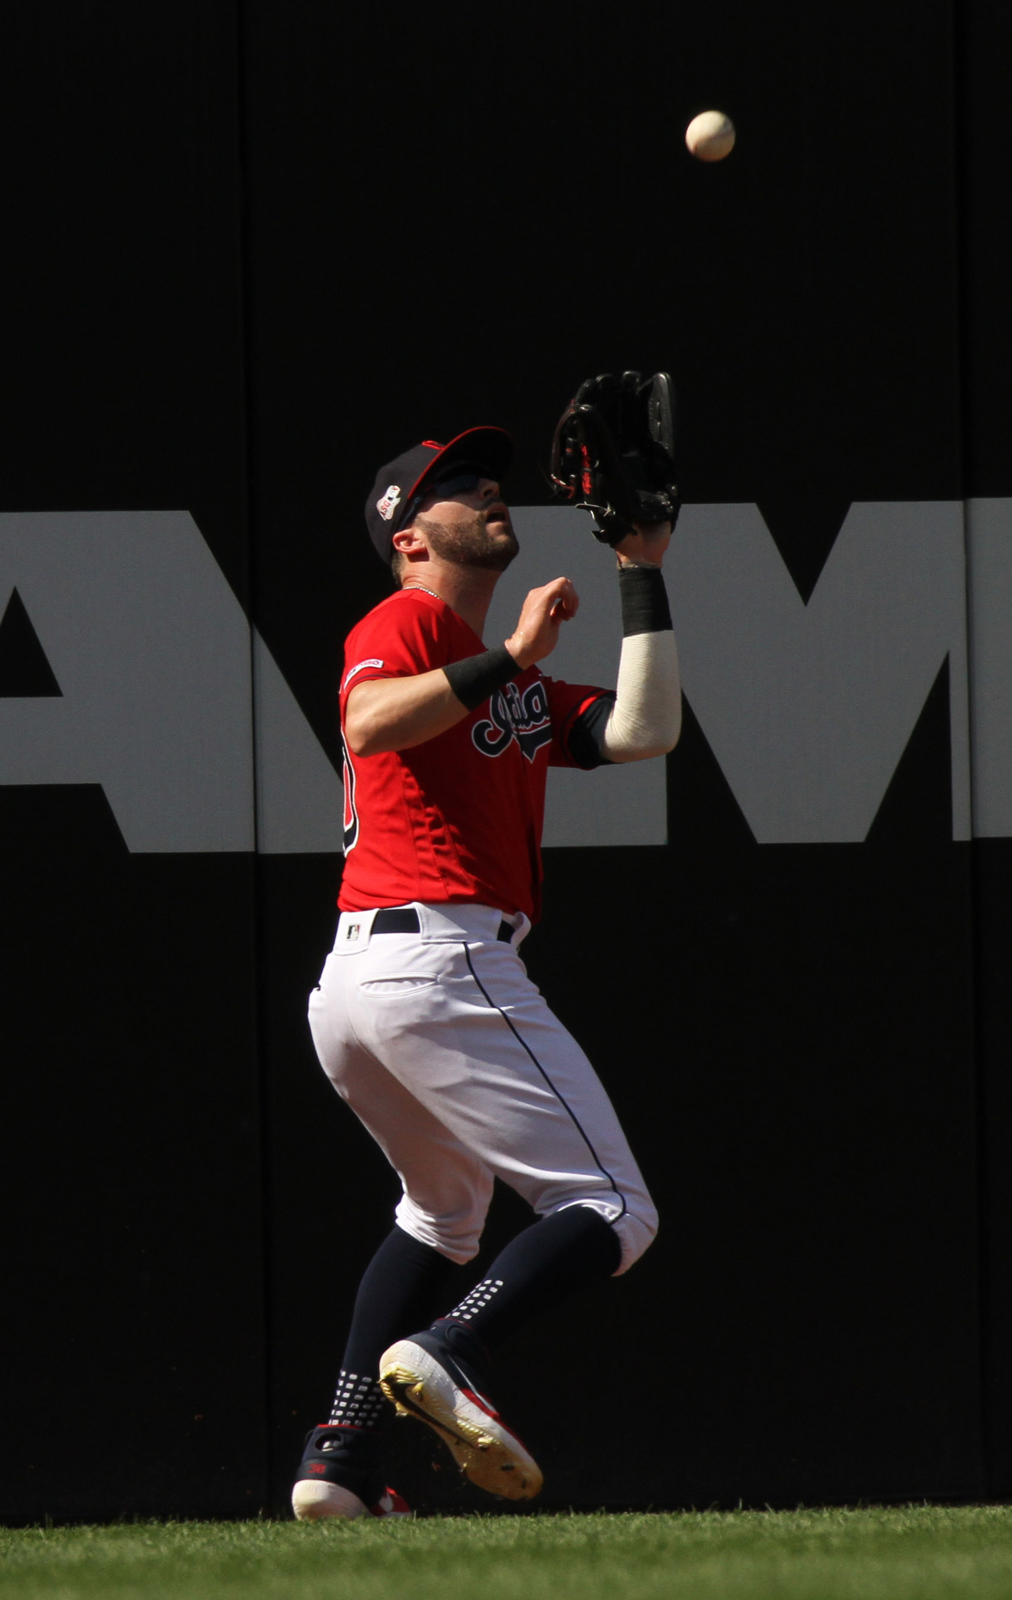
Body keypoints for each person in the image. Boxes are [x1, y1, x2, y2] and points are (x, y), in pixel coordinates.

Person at [292, 425, 681, 1519]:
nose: (487, 491)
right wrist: (509, 654)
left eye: (489, 479)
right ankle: (448, 1350)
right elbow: (368, 719)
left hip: (368, 982)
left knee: (442, 1212)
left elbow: (645, 731)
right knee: (613, 1207)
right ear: (408, 538)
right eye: (457, 487)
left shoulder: (500, 675)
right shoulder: (408, 620)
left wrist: (638, 575)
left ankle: (340, 1460)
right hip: (439, 959)